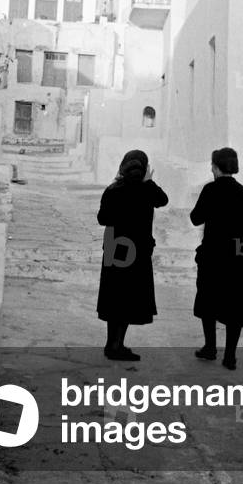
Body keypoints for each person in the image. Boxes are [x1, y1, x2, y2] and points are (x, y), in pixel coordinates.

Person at [190, 147, 243, 370]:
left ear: (216, 167)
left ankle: (210, 347)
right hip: (240, 256)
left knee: (208, 300)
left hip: (214, 255)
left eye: (212, 165)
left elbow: (195, 218)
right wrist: (238, 237)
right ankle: (230, 356)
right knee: (235, 305)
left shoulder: (210, 190)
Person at [97, 149, 169, 361]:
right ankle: (116, 346)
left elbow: (103, 219)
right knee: (128, 299)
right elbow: (163, 200)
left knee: (114, 297)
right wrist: (149, 182)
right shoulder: (147, 190)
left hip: (114, 249)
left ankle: (112, 344)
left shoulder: (112, 189)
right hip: (137, 252)